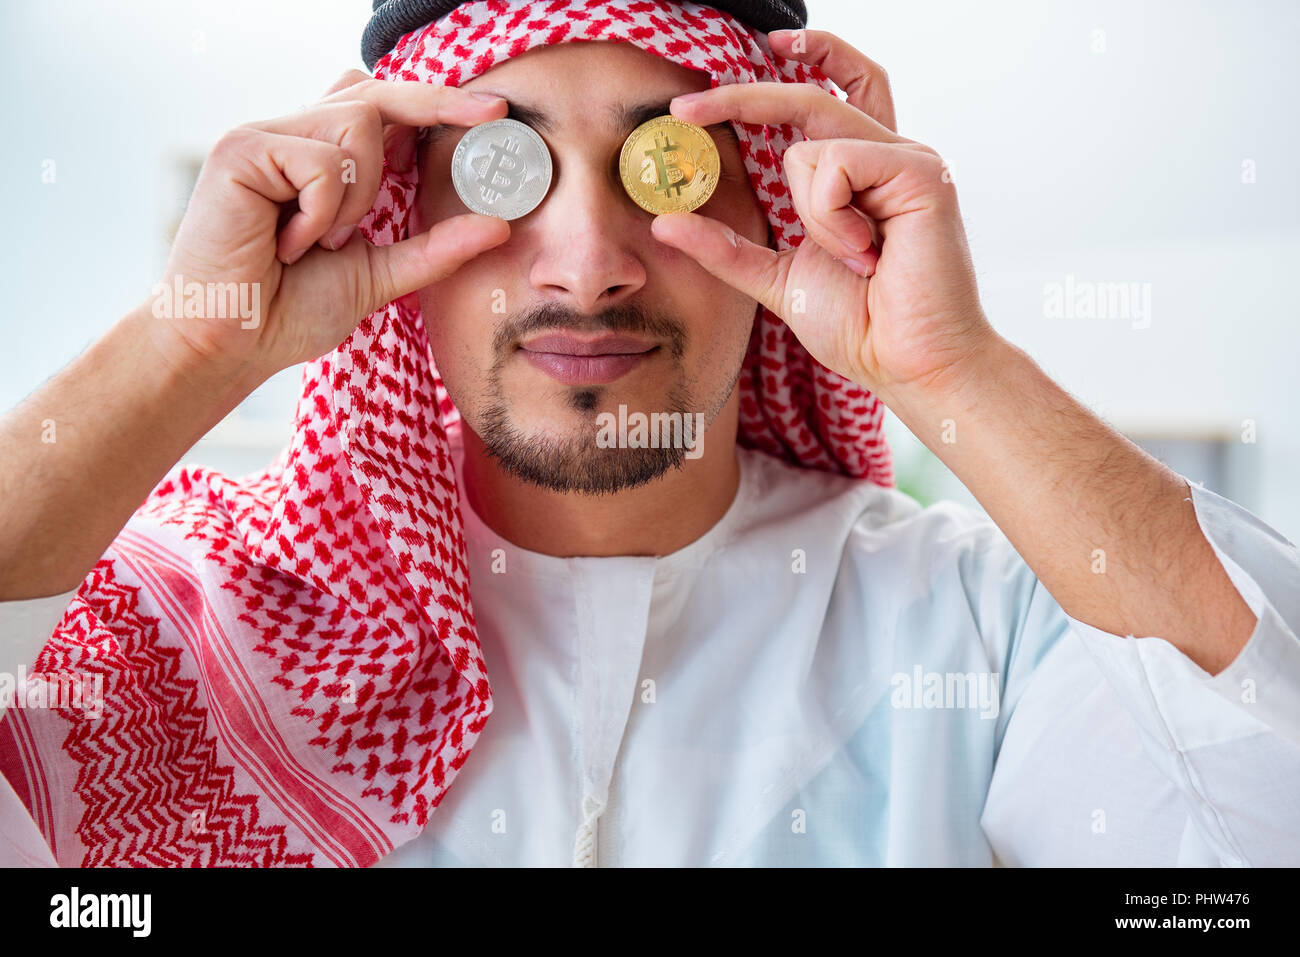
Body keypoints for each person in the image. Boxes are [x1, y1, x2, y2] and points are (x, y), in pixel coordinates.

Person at [1, 0, 1297, 867]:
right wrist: (189, 342)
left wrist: (953, 369)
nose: (587, 262)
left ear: (778, 204)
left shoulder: (976, 622)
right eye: (498, 166)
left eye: (663, 162)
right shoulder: (192, 616)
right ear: (393, 201)